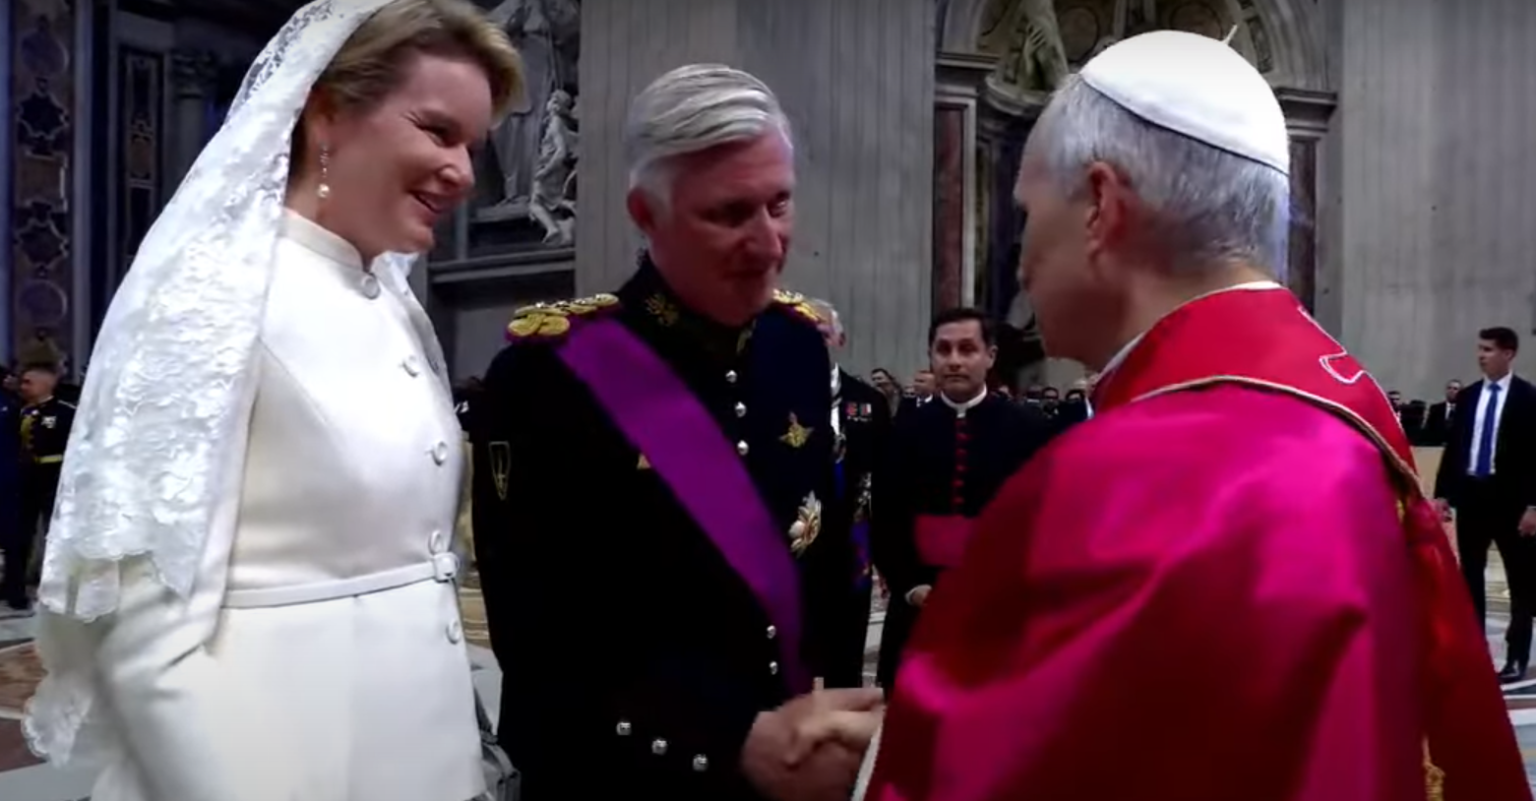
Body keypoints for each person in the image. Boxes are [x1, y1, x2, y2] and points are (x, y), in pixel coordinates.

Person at [857, 31, 1528, 800]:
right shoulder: (1338, 407)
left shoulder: (1127, 481)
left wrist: (865, 760)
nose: (1020, 261)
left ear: (1100, 206)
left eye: (1025, 214)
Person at [22, 3, 524, 799]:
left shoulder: (395, 307)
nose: (464, 171)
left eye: (473, 145)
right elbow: (146, 628)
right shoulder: (214, 296)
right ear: (327, 112)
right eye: (437, 131)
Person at [471, 64, 881, 801]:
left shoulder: (799, 346)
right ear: (644, 212)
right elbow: (537, 649)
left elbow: (827, 575)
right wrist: (727, 742)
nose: (767, 242)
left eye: (779, 204)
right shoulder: (548, 377)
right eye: (728, 214)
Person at [872, 308, 1053, 692]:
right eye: (944, 350)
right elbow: (885, 516)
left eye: (967, 349)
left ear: (990, 356)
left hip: (998, 608)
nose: (954, 361)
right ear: (931, 356)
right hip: (919, 605)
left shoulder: (1029, 429)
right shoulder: (905, 429)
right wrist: (910, 586)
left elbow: (1043, 519)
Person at [1433, 327, 1536, 683]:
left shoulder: (1528, 398)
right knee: (1470, 577)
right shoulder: (1468, 397)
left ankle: (1516, 656)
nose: (1481, 355)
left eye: (1489, 350)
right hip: (1473, 498)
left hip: (1512, 504)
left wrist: (1534, 506)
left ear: (1508, 354)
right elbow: (1455, 447)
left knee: (1521, 581)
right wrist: (1443, 494)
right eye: (1479, 348)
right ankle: (1473, 650)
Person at [802, 298, 891, 689]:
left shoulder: (868, 401)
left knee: (845, 667)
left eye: (821, 333)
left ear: (838, 338)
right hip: (797, 548)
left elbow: (886, 479)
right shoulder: (775, 401)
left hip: (853, 550)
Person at [1, 364, 76, 613]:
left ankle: (59, 587)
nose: (22, 387)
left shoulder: (65, 412)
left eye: (28, 382)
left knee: (56, 535)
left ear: (47, 384)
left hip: (54, 478)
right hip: (25, 479)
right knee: (21, 536)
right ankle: (16, 588)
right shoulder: (19, 411)